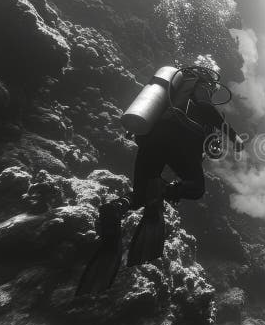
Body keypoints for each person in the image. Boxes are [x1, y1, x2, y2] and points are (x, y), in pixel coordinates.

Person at [77, 66, 244, 295]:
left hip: (152, 140)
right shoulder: (201, 94)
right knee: (195, 189)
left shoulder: (169, 95)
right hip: (181, 143)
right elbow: (213, 117)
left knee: (138, 196)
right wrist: (235, 139)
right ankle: (163, 191)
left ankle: (116, 208)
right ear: (206, 83)